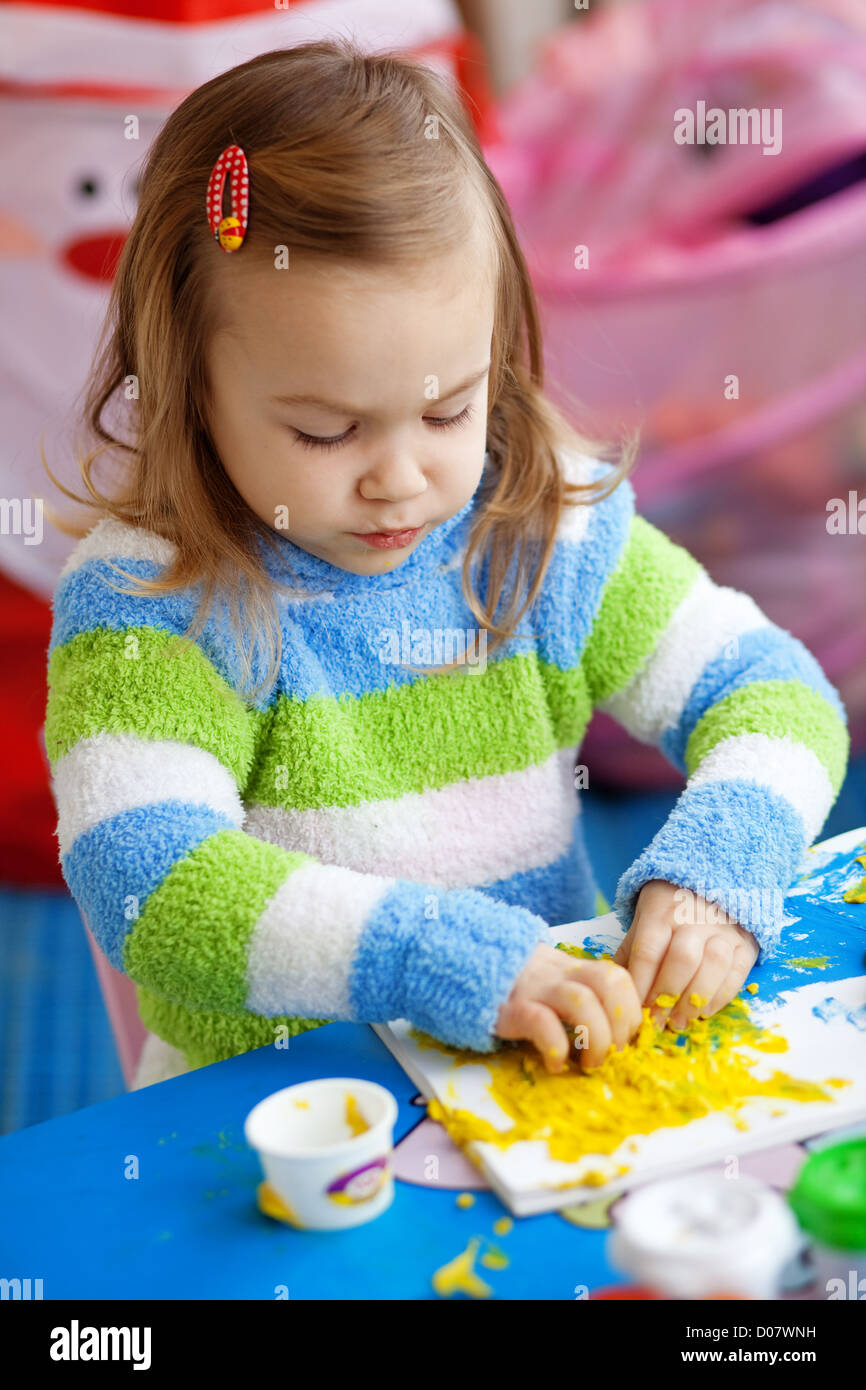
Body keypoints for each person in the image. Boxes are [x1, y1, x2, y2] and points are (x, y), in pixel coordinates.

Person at [44, 39, 849, 1090]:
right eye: (326, 431)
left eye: (446, 409)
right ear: (187, 391)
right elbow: (147, 882)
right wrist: (431, 958)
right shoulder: (156, 600)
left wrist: (718, 864)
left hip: (537, 1083)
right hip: (277, 1117)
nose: (402, 479)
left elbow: (775, 692)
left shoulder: (533, 526)